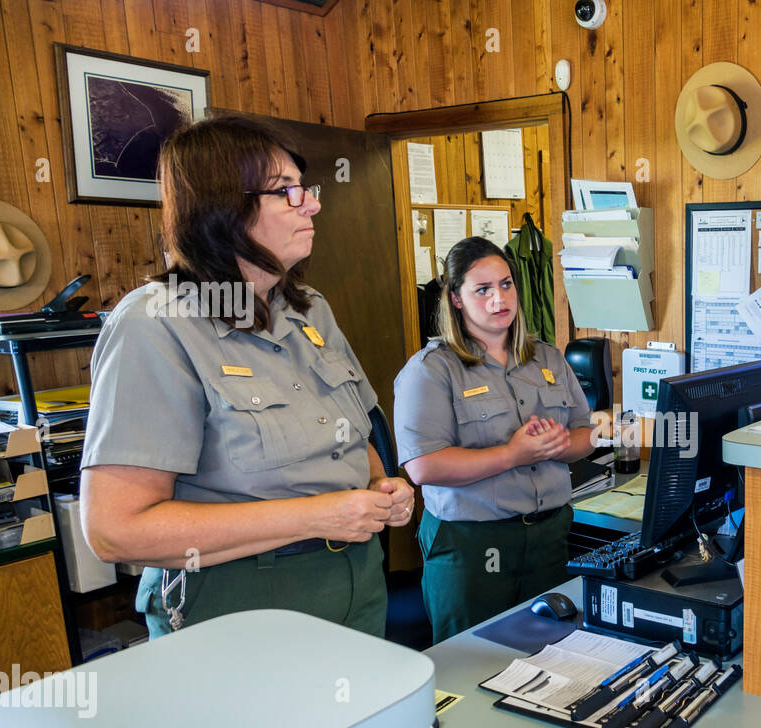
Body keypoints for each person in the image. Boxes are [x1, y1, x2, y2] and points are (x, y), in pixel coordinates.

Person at [81, 116, 415, 638]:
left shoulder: (310, 310)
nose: (313, 204)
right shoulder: (157, 324)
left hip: (354, 582)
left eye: (306, 189)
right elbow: (114, 531)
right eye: (287, 192)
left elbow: (352, 434)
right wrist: (316, 516)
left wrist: (380, 484)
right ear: (224, 209)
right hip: (237, 602)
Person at [394, 238, 596, 643]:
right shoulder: (432, 370)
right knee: (472, 664)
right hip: (472, 545)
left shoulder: (547, 358)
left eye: (505, 285)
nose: (498, 299)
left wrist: (559, 444)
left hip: (548, 537)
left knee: (551, 657)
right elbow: (423, 467)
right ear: (455, 299)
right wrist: (512, 454)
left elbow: (585, 434)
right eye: (481, 290)